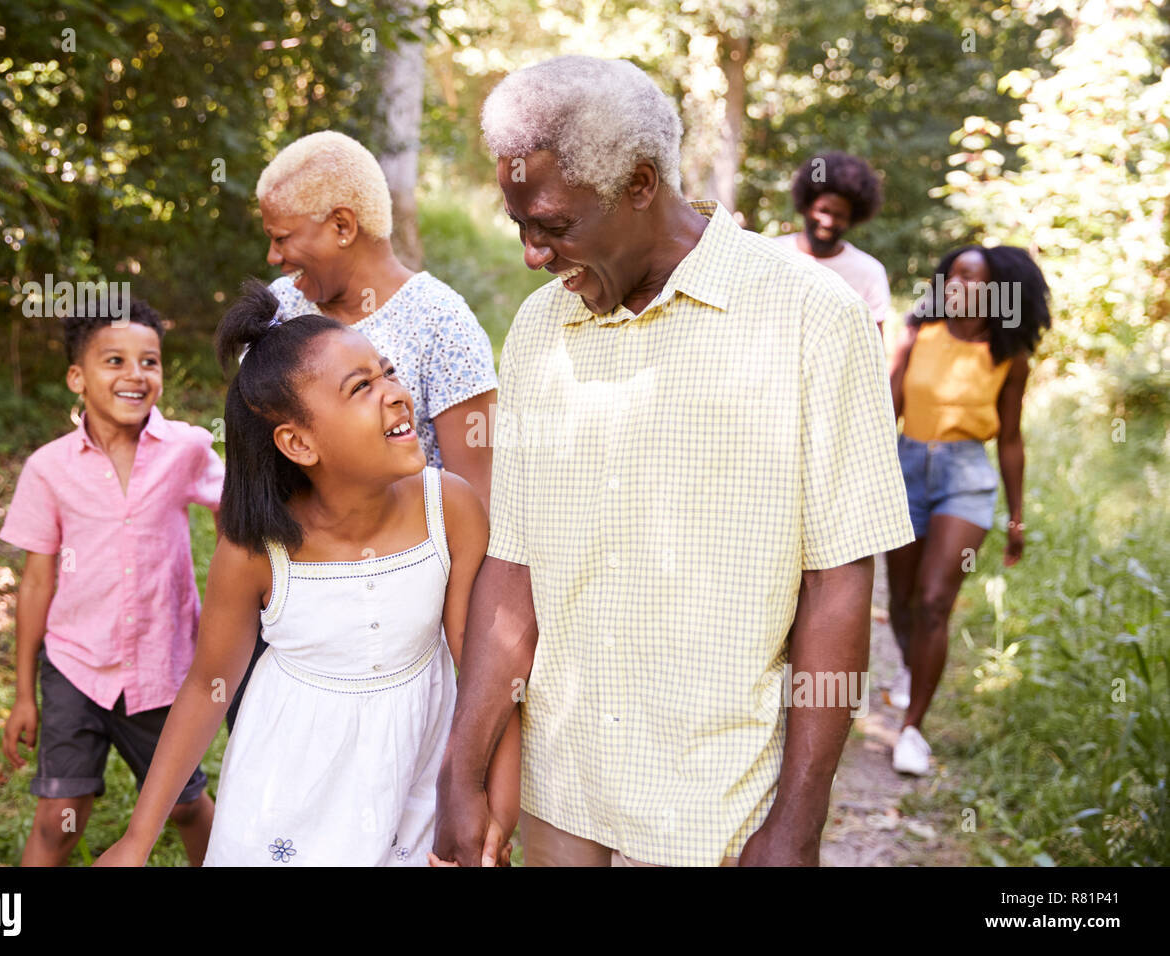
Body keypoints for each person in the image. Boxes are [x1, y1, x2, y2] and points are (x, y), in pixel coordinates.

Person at [432, 55, 914, 868]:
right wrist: (462, 771)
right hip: (562, 784)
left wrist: (796, 823)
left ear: (641, 185)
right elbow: (513, 567)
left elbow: (838, 582)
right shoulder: (539, 330)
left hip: (720, 800)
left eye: (552, 225)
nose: (531, 255)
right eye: (518, 223)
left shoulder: (811, 318)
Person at [95, 282, 518, 866]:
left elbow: (482, 666)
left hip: (415, 783)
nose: (395, 393)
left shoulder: (450, 507)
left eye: (387, 371)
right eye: (361, 387)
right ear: (298, 442)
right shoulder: (256, 549)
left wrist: (495, 801)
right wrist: (138, 837)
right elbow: (207, 685)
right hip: (287, 787)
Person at [224, 130, 504, 738]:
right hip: (291, 604)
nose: (273, 257)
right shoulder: (278, 313)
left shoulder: (442, 322)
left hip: (398, 618)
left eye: (282, 237)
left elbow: (474, 497)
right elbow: (252, 465)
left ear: (342, 226)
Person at [0, 300, 223, 866]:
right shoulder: (48, 468)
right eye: (115, 361)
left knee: (184, 804)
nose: (135, 374)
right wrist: (25, 693)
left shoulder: (188, 448)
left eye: (150, 361)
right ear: (77, 377)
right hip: (76, 667)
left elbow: (236, 522)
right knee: (58, 818)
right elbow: (36, 583)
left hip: (159, 668)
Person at [885, 244, 1051, 776]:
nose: (959, 285)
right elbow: (889, 403)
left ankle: (912, 729)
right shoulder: (918, 333)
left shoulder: (1009, 356)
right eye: (953, 275)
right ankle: (912, 668)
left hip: (966, 479)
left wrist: (1017, 519)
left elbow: (1010, 440)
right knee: (904, 600)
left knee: (935, 601)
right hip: (906, 468)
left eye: (973, 278)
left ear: (997, 290)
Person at [774, 152, 890, 339]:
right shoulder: (772, 254)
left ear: (852, 220)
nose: (828, 222)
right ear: (806, 207)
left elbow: (873, 345)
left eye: (839, 215)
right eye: (823, 210)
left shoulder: (869, 272)